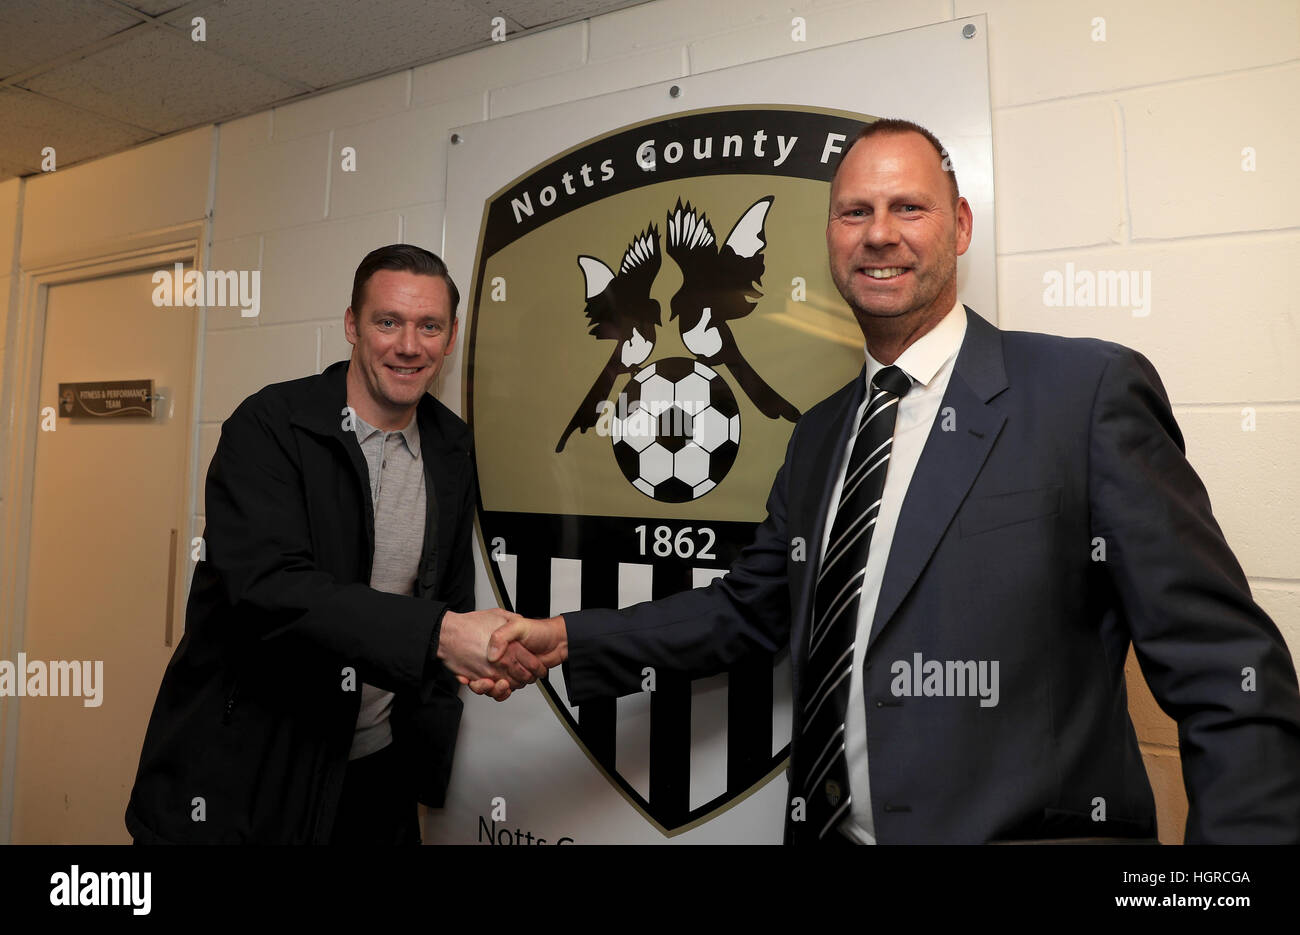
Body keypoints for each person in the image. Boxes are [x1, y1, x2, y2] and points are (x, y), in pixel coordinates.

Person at [473, 120, 1300, 844]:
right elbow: (746, 610)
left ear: (960, 225)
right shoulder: (822, 433)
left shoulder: (1084, 394)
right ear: (830, 236)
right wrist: (569, 639)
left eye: (909, 207)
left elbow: (1227, 669)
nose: (880, 234)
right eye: (855, 211)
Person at [127, 244, 543, 844]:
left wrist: (461, 674)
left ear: (450, 339)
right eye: (387, 322)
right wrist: (440, 636)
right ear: (352, 325)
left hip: (375, 774)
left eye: (430, 326)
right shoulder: (272, 425)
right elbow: (272, 590)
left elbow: (444, 593)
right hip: (247, 773)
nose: (409, 345)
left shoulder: (452, 448)